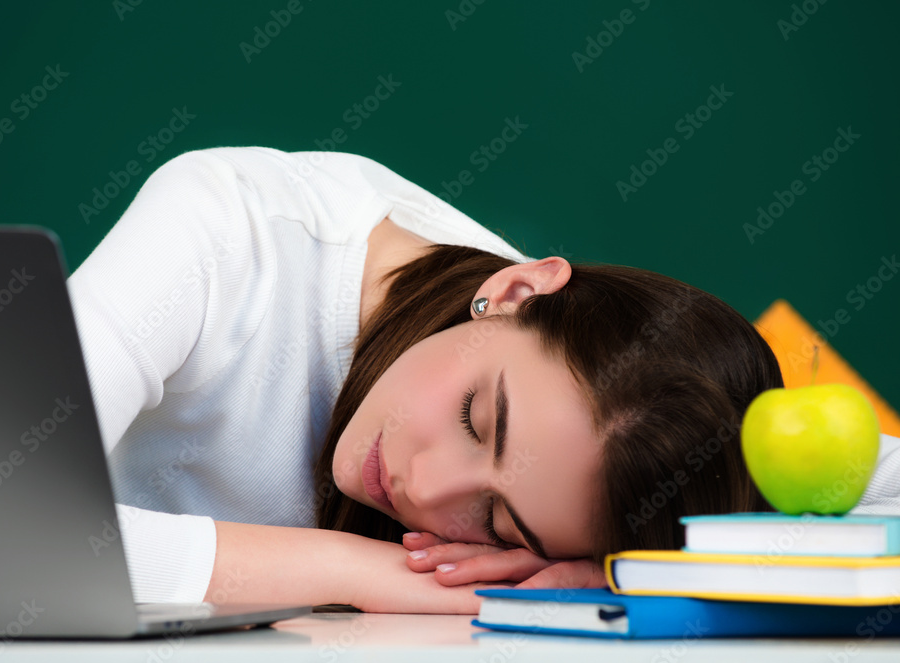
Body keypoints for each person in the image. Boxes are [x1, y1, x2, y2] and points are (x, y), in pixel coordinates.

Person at [67, 147, 900, 615]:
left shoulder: (549, 386)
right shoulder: (229, 229)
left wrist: (627, 570)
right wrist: (361, 569)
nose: (425, 488)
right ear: (511, 292)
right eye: (477, 418)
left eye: (498, 521)